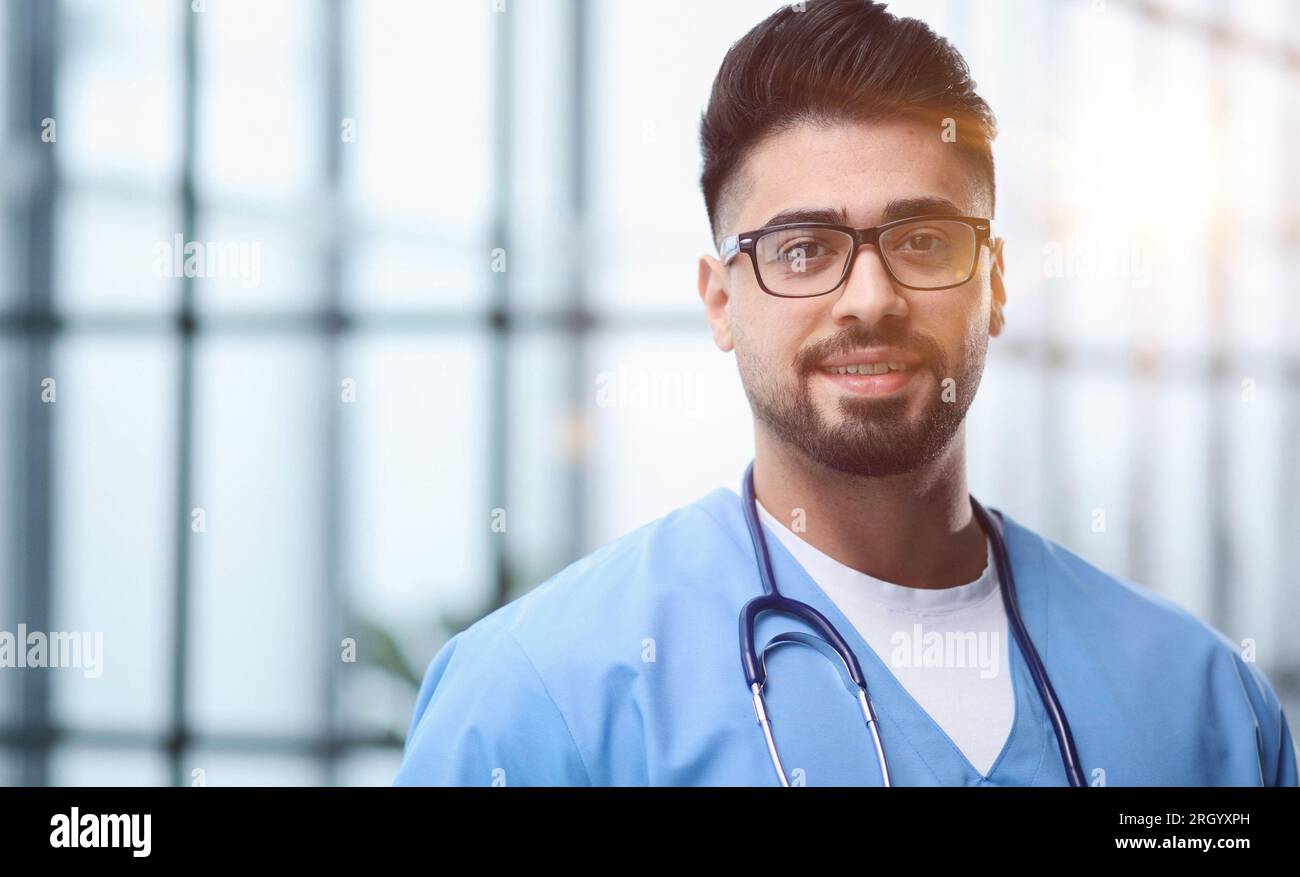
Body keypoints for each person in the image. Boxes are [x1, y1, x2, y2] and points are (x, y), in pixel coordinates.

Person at [394, 0, 1297, 786]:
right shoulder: (534, 700)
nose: (870, 299)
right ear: (720, 301)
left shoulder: (1204, 704)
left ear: (997, 283)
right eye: (801, 249)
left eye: (924, 241)